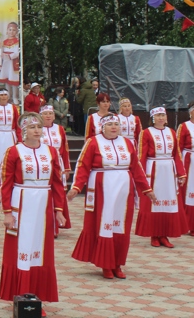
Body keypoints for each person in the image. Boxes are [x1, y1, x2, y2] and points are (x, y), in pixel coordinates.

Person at [69, 113, 156, 279]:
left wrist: (146, 189)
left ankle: (118, 263)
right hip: (103, 188)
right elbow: (83, 165)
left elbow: (136, 168)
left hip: (124, 189)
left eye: (116, 124)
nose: (114, 127)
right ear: (102, 127)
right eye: (110, 125)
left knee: (121, 225)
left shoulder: (127, 143)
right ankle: (106, 264)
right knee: (105, 224)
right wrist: (76, 187)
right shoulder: (93, 142)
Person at [0, 112, 67, 314]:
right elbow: (6, 184)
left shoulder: (52, 152)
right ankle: (20, 295)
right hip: (22, 201)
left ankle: (37, 296)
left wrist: (59, 210)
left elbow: (57, 182)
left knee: (41, 249)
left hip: (43, 205)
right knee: (21, 248)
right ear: (23, 131)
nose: (37, 130)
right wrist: (7, 212)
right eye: (32, 127)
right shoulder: (13, 152)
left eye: (39, 127)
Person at [134, 107, 187, 247]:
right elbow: (142, 155)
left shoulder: (172, 132)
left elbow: (177, 154)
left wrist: (181, 173)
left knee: (168, 202)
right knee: (153, 203)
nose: (161, 118)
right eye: (158, 115)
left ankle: (164, 235)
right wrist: (141, 176)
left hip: (169, 171)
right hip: (154, 170)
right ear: (153, 118)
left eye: (163, 115)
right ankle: (154, 235)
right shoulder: (146, 133)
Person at [40, 105, 72, 231]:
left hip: (58, 162)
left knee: (58, 191)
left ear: (54, 116)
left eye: (50, 113)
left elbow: (65, 149)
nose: (48, 116)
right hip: (43, 162)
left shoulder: (60, 129)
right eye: (45, 113)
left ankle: (57, 222)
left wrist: (67, 168)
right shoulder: (37, 129)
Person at [178, 101, 194, 235]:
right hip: (189, 161)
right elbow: (178, 148)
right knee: (188, 192)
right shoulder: (184, 127)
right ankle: (187, 224)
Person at [0, 22, 21, 104]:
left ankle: (15, 96)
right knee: (7, 80)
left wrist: (10, 56)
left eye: (14, 30)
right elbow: (1, 51)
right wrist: (2, 54)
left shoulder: (18, 41)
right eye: (10, 30)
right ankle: (8, 95)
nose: (11, 32)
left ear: (16, 32)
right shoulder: (4, 42)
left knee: (13, 79)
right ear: (7, 31)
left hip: (13, 62)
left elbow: (17, 52)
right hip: (5, 62)